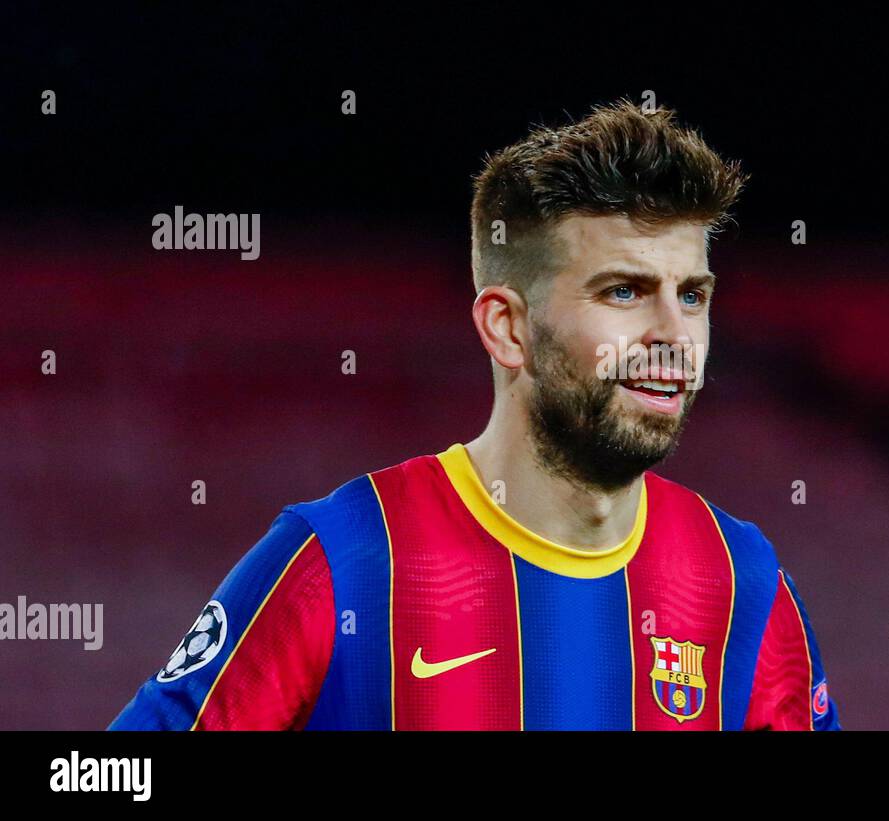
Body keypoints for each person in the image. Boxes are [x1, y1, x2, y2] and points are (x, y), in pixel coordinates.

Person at [109, 99, 840, 730]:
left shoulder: (743, 583)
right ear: (507, 328)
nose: (674, 336)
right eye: (623, 291)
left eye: (692, 295)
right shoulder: (348, 559)